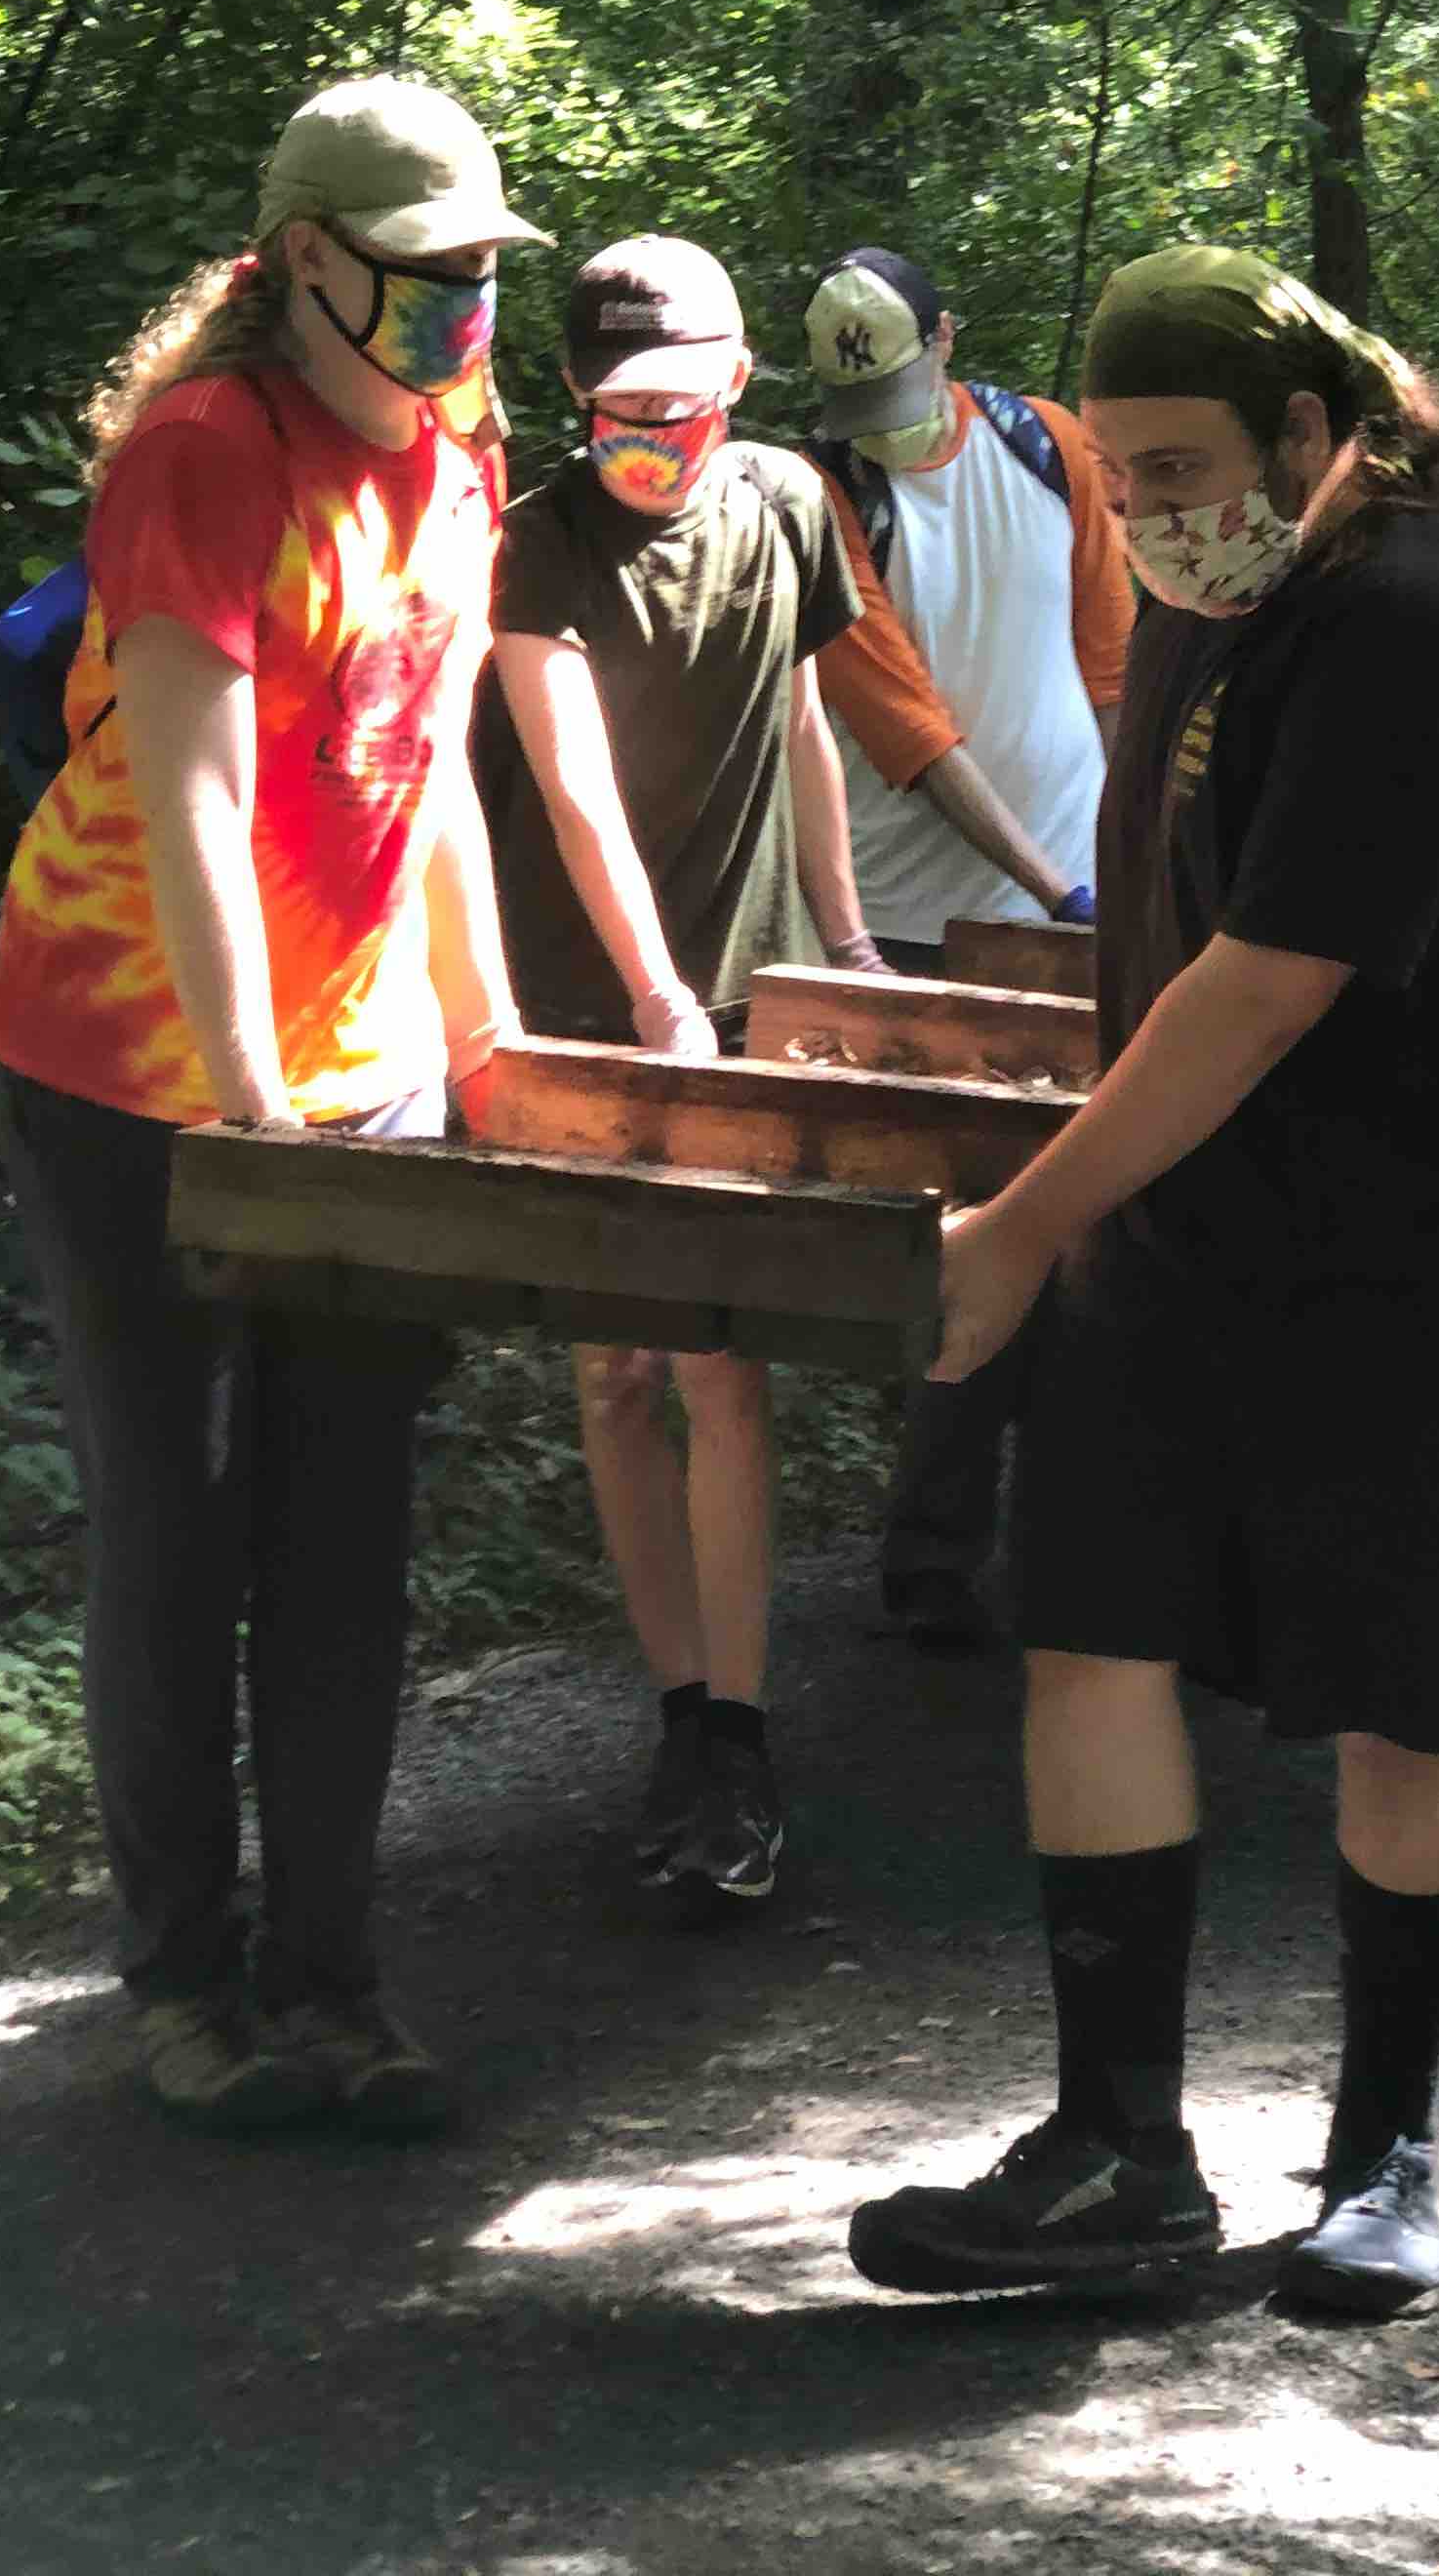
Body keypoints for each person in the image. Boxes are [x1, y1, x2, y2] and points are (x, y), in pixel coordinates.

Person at [844, 246, 1439, 2322]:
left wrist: (1023, 1225)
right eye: (1119, 471)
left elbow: (1272, 977)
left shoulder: (1411, 610)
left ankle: (1391, 2145)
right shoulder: (1219, 603)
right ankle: (1116, 2151)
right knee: (1095, 1637)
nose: (1145, 508)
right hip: (1209, 1228)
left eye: (1183, 466)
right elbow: (1162, 948)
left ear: (1315, 440)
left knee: (1401, 1707)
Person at [0, 75, 540, 2134]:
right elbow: (198, 810)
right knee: (179, 1526)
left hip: (365, 1087)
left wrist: (484, 1055)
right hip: (142, 1081)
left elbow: (436, 777)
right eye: (428, 273)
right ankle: (183, 1983)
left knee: (344, 1540)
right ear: (308, 263)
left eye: (489, 268)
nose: (468, 306)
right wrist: (249, 1121)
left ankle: (335, 1980)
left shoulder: (461, 459)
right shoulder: (205, 457)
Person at [482, 236, 875, 1912]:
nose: (657, 431)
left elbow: (802, 721)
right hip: (587, 1007)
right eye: (622, 406)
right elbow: (568, 787)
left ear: (736, 381)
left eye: (684, 398)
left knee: (719, 1364)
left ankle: (740, 1726)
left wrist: (847, 941)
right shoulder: (536, 546)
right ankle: (674, 1715)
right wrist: (649, 994)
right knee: (613, 1375)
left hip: (750, 984)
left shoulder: (785, 500)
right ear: (575, 397)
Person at [794, 244, 1134, 1647]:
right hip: (935, 925)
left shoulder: (1050, 444)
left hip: (1087, 897)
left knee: (1098, 1227)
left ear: (948, 337)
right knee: (965, 1239)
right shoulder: (830, 492)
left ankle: (1088, 1534)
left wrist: (1134, 860)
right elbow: (906, 728)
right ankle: (933, 1550)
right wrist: (1055, 886)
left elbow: (1114, 650)